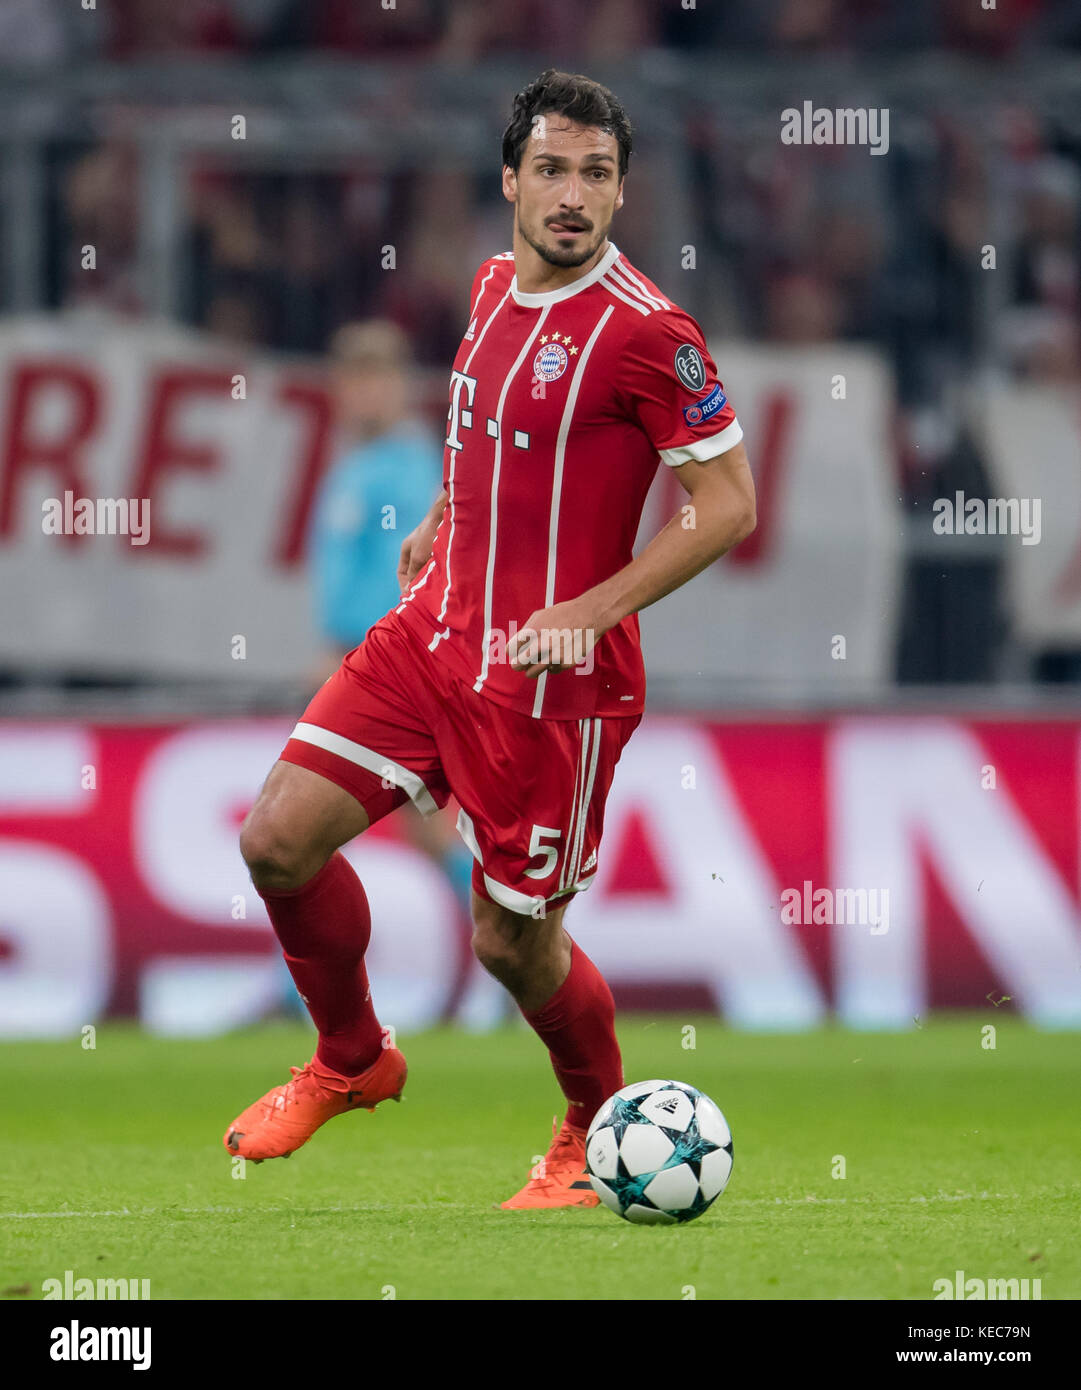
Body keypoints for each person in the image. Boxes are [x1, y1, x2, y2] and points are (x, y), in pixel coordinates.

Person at [225, 68, 756, 1209]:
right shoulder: (485, 285)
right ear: (510, 178)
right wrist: (435, 519)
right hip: (433, 637)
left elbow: (728, 507)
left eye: (597, 174)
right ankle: (353, 1057)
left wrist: (590, 611)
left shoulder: (649, 337)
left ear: (621, 192)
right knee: (276, 841)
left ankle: (587, 1128)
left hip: (550, 684)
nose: (573, 194)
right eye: (553, 169)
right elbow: (487, 430)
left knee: (510, 944)